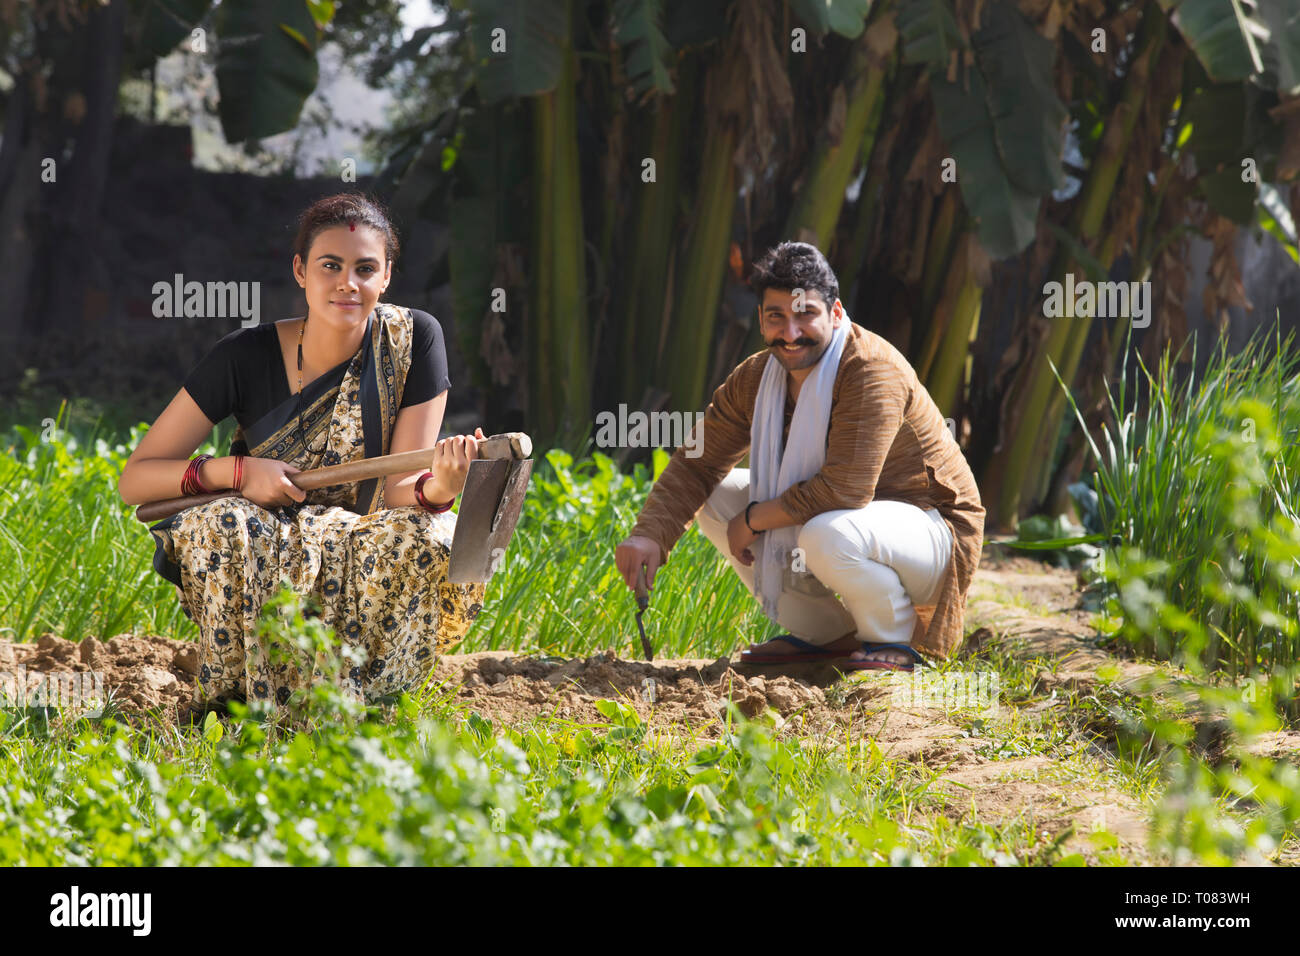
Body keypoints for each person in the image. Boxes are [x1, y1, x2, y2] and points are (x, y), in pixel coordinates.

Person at [117, 192, 486, 710]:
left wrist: (442, 487)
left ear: (386, 277)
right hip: (263, 534)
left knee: (429, 536)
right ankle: (238, 700)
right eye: (330, 265)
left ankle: (363, 696)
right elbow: (136, 479)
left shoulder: (413, 341)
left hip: (362, 539)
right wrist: (239, 472)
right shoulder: (242, 357)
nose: (347, 283)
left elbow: (402, 494)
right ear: (300, 270)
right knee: (222, 523)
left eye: (365, 269)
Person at [614, 242, 985, 671]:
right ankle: (826, 638)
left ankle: (893, 643)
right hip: (853, 524)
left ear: (835, 312)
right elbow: (698, 461)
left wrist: (752, 519)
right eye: (777, 317)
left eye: (805, 314)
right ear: (761, 320)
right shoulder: (757, 377)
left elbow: (844, 490)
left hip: (932, 532)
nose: (790, 333)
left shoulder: (870, 369)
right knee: (716, 497)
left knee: (828, 534)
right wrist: (649, 536)